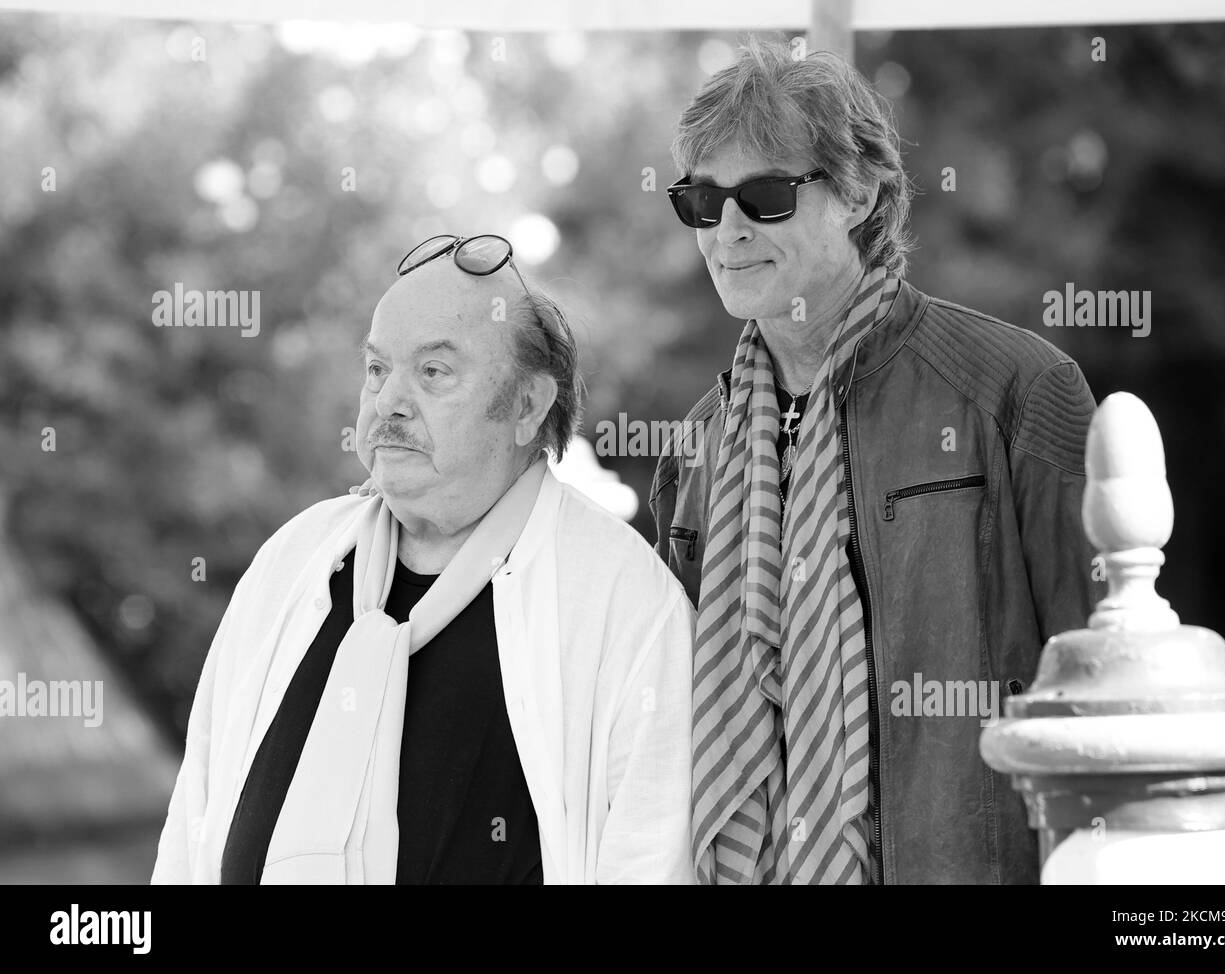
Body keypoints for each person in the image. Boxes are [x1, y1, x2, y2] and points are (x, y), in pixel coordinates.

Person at [650, 39, 1104, 884]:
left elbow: (1105, 694)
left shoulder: (1017, 390)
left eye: (765, 196)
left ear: (858, 193)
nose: (729, 231)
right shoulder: (698, 448)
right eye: (702, 202)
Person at [153, 234, 695, 884]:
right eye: (377, 369)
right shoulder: (294, 558)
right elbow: (193, 822)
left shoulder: (626, 603)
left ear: (528, 405)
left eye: (433, 372)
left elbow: (650, 859)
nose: (388, 401)